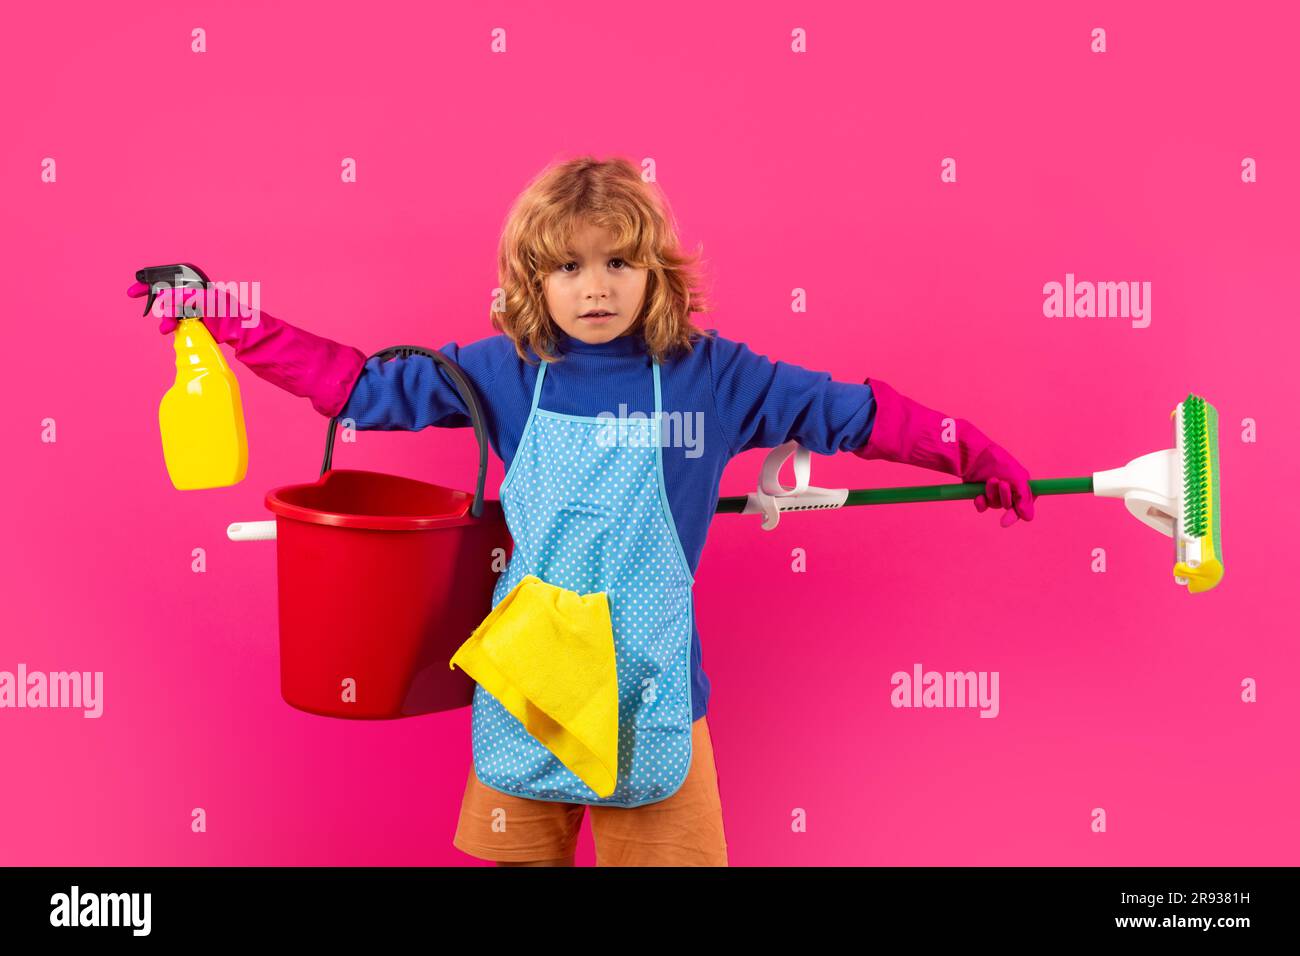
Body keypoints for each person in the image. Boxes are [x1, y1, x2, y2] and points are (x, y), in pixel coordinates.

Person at [128, 155, 1035, 867]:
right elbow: (358, 387)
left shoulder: (714, 376)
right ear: (533, 279)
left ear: (655, 270)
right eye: (567, 266)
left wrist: (972, 449)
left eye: (616, 262)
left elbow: (856, 414)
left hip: (656, 693)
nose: (594, 287)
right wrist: (226, 314)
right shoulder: (504, 371)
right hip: (531, 690)